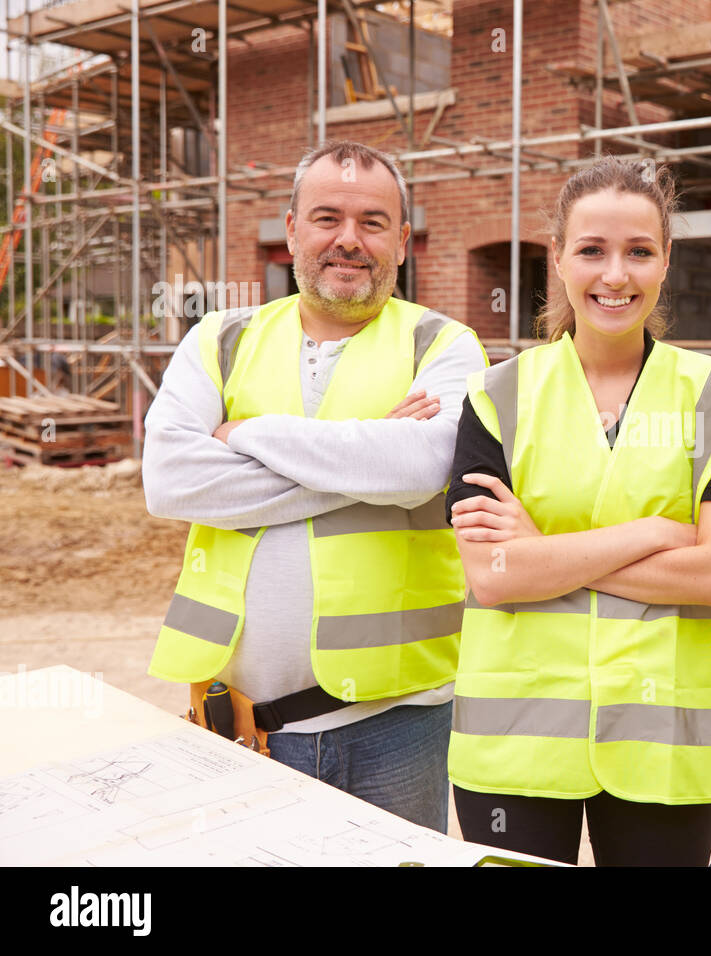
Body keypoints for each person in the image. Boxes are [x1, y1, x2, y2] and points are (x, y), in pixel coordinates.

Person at [143, 140, 486, 832]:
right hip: (237, 722)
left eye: (373, 222)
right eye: (327, 217)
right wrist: (372, 460)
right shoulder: (221, 337)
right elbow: (170, 480)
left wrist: (242, 434)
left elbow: (426, 468)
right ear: (293, 228)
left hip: (396, 726)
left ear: (402, 239)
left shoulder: (443, 345)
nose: (349, 241)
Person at [444, 157, 711, 866]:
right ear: (557, 257)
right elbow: (494, 576)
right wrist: (650, 534)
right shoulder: (496, 397)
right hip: (515, 748)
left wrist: (546, 553)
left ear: (664, 261)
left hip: (662, 752)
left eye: (638, 252)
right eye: (591, 250)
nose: (615, 275)